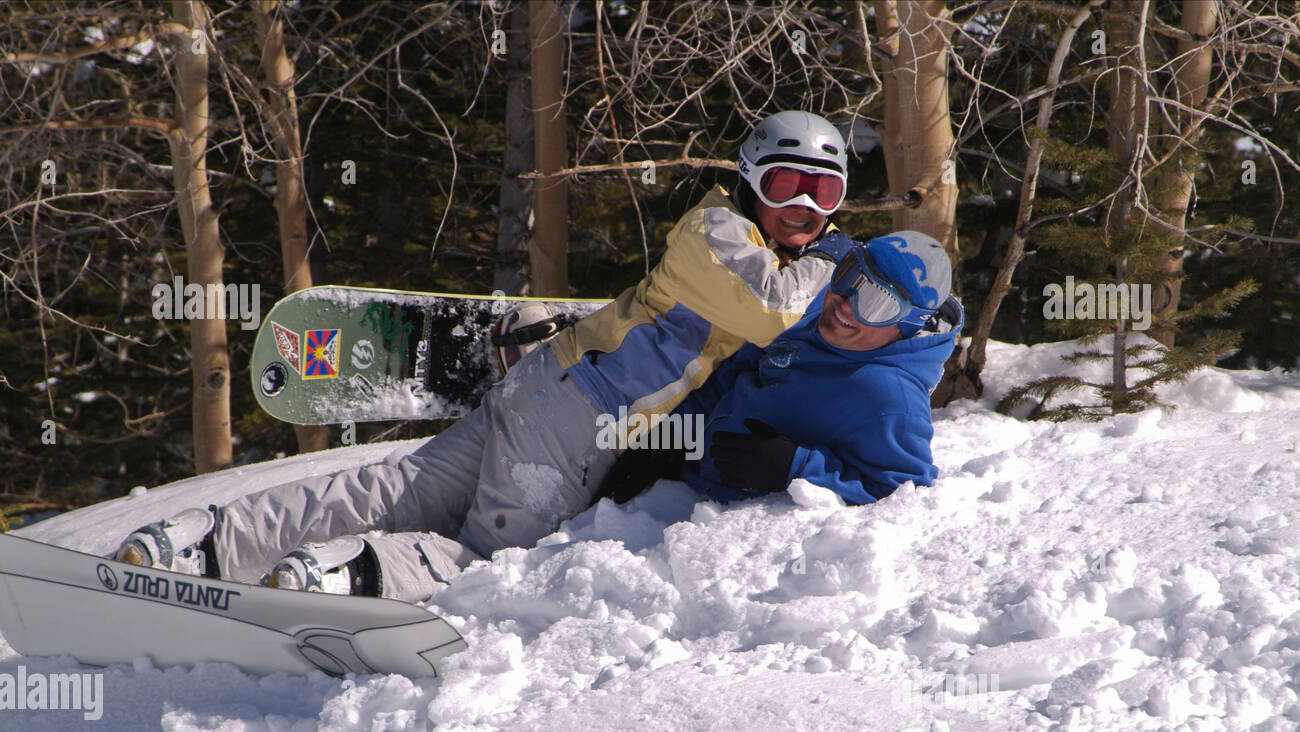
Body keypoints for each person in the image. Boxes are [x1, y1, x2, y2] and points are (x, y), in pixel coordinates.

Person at [115, 110, 858, 602]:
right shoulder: (721, 232)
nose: (806, 207)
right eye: (788, 183)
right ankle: (337, 576)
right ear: (750, 178)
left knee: (391, 488)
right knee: (482, 557)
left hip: (548, 392)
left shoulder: (755, 243)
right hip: (577, 421)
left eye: (825, 191)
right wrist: (842, 257)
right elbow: (776, 307)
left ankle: (203, 542)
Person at [597, 231, 963, 506]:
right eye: (851, 275)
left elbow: (904, 494)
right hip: (688, 488)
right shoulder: (817, 315)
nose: (846, 304)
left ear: (909, 325)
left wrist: (795, 466)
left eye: (877, 303)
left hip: (746, 546)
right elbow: (734, 373)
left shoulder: (888, 395)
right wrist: (671, 442)